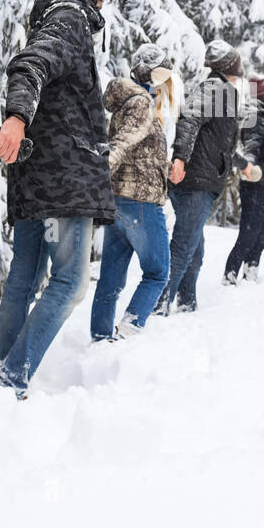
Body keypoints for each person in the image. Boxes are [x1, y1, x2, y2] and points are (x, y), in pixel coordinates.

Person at [0, 0, 117, 398]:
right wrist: (16, 116)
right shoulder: (71, 17)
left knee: (25, 276)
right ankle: (12, 376)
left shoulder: (51, 13)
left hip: (35, 176)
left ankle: (6, 374)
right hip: (65, 179)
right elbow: (30, 65)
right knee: (69, 282)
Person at [154, 39, 253, 315]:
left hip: (200, 180)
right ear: (229, 65)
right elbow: (190, 118)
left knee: (194, 251)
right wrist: (181, 159)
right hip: (194, 182)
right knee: (184, 247)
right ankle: (157, 305)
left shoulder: (222, 91)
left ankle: (186, 303)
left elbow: (221, 145)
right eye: (236, 60)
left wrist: (242, 164)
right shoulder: (216, 89)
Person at [89, 44, 174, 340]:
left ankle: (100, 336)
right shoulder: (141, 102)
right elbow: (124, 142)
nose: (164, 80)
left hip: (119, 201)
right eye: (160, 72)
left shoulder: (129, 102)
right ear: (147, 72)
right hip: (140, 200)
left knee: (111, 275)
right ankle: (130, 329)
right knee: (158, 272)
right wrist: (101, 171)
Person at [224, 77, 264, 284]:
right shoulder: (255, 121)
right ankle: (230, 277)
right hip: (255, 185)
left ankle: (250, 275)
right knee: (249, 235)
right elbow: (251, 148)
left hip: (263, 185)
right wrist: (250, 165)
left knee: (259, 236)